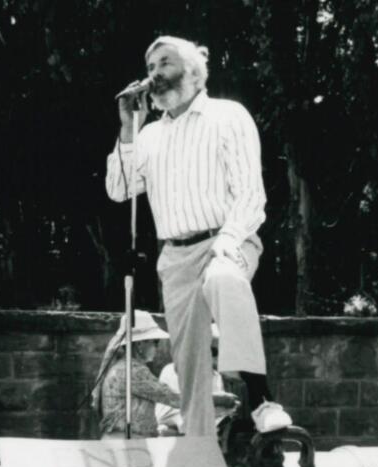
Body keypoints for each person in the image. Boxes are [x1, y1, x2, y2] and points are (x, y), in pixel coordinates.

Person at [106, 35, 292, 440]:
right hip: (174, 256)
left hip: (229, 236)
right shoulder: (150, 136)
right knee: (189, 365)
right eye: (150, 67)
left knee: (224, 279)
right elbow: (118, 189)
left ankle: (263, 401)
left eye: (165, 64)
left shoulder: (228, 116)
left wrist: (225, 243)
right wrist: (127, 128)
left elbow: (251, 195)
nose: (154, 74)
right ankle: (199, 446)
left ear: (192, 71)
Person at [90, 310, 236, 438]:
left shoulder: (125, 367)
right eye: (155, 342)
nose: (157, 347)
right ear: (140, 344)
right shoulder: (133, 371)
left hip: (127, 440)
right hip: (127, 441)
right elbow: (174, 399)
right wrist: (219, 399)